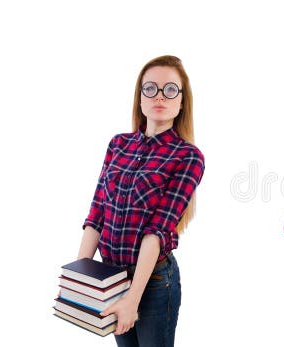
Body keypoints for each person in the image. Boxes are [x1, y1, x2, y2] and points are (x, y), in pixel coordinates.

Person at [77, 55, 204, 346]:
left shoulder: (188, 157)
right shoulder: (118, 144)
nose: (160, 96)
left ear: (182, 101)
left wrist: (132, 298)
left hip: (154, 282)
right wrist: (80, 277)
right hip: (111, 277)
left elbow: (157, 230)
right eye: (150, 88)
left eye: (170, 89)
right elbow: (97, 213)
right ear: (140, 98)